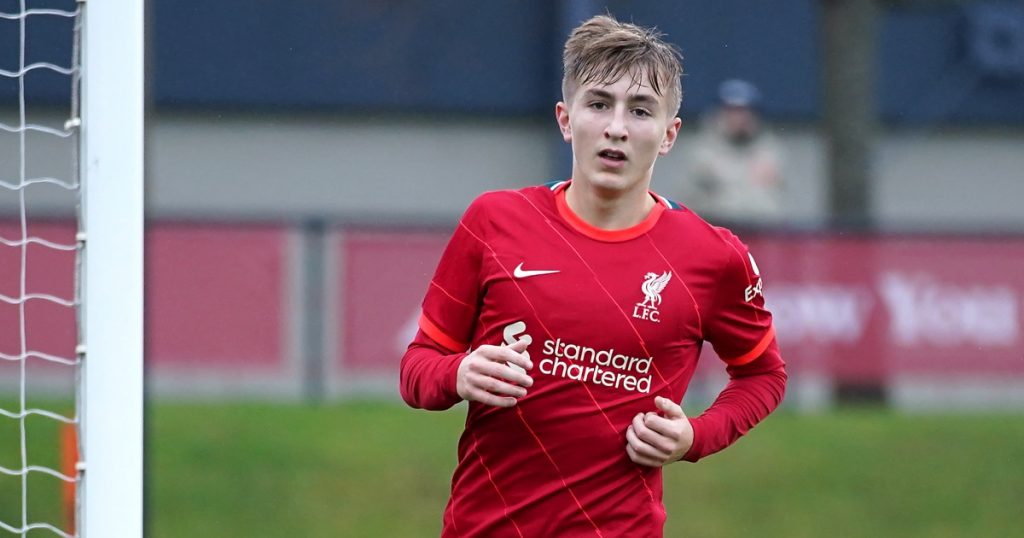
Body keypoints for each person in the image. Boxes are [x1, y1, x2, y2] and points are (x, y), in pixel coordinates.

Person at [400, 15, 786, 537]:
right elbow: (418, 367)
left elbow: (763, 375)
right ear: (566, 118)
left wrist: (695, 437)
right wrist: (458, 374)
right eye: (599, 103)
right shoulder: (494, 221)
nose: (617, 127)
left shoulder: (713, 257)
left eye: (641, 110)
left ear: (669, 134)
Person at [681, 79, 786, 224]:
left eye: (745, 112)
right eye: (732, 112)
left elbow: (777, 199)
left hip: (762, 232)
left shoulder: (769, 152)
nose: (740, 119)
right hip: (719, 230)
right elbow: (690, 202)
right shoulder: (702, 154)